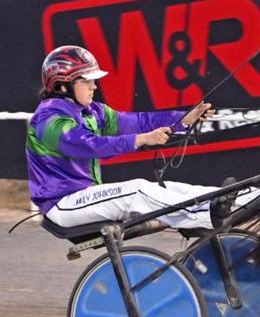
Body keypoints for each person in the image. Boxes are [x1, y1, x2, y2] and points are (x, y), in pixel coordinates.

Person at [27, 45, 237, 231]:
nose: (94, 86)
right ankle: (205, 214)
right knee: (136, 191)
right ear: (62, 85)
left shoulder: (92, 111)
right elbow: (90, 145)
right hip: (61, 204)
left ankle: (245, 199)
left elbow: (138, 122)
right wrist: (142, 139)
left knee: (170, 188)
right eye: (86, 81)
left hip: (84, 196)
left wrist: (184, 119)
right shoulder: (49, 118)